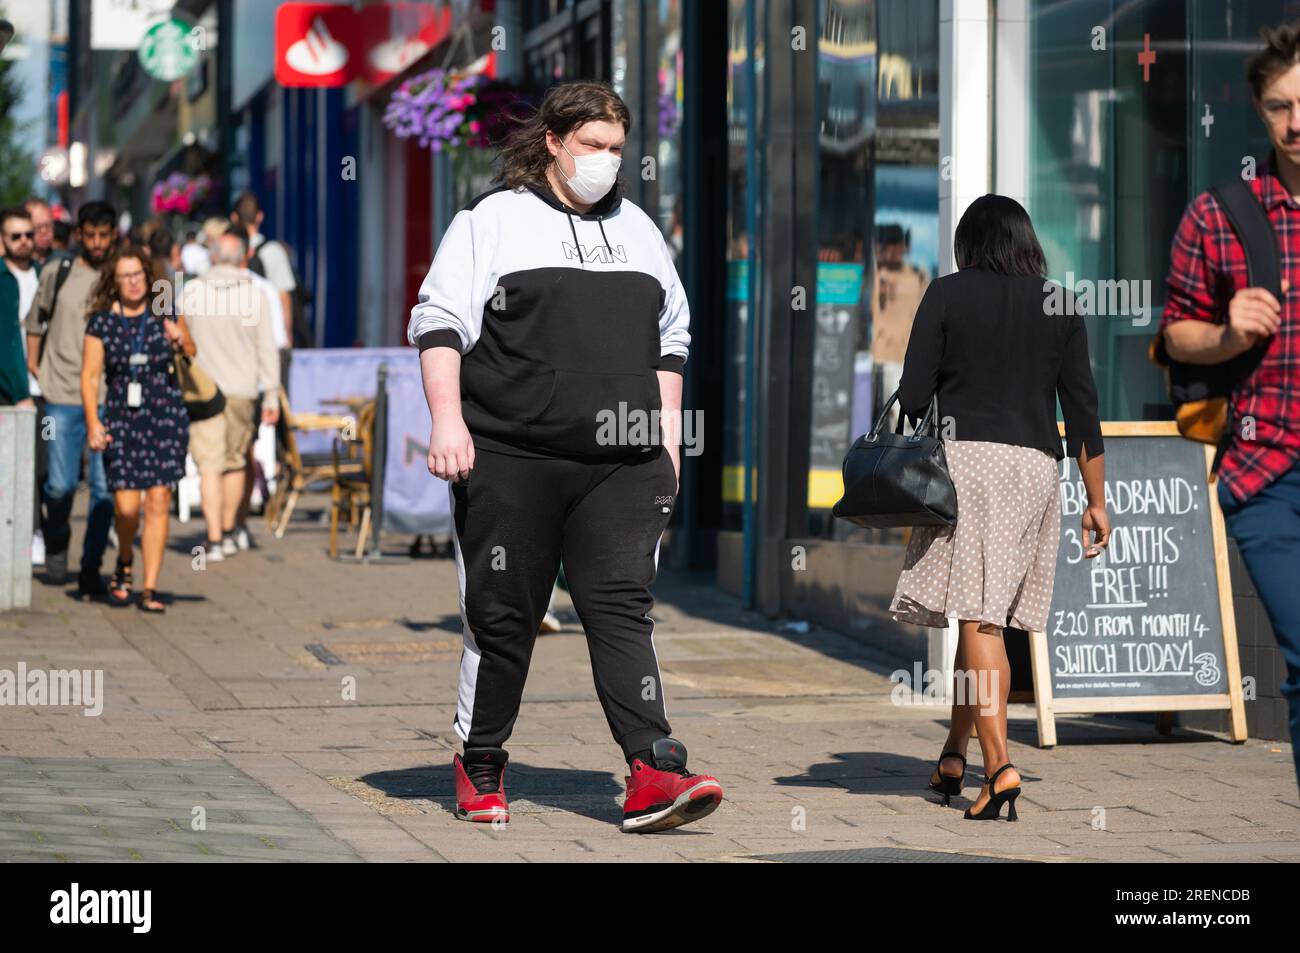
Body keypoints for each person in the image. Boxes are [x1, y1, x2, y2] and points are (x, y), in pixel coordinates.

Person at [410, 80, 723, 834]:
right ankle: (480, 758)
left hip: (622, 462)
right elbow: (438, 322)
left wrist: (671, 447)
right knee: (505, 615)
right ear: (552, 142)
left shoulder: (643, 232)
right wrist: (446, 421)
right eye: (591, 147)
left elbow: (672, 341)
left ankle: (654, 766)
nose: (605, 163)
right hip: (509, 456)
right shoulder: (492, 221)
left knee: (621, 609)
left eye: (616, 150)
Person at [890, 194, 1110, 821]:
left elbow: (911, 395)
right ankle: (954, 755)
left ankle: (1001, 767)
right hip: (1040, 470)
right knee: (981, 611)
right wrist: (1098, 501)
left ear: (968, 246)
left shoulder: (947, 295)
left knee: (981, 619)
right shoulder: (1059, 303)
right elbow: (1084, 412)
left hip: (971, 466)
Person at [1161, 23, 1300, 793]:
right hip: (1267, 474)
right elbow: (1175, 333)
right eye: (1280, 106)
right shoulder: (1221, 215)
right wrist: (1224, 331)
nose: (1297, 122)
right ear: (1258, 109)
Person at [82, 246, 194, 613]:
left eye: (138, 275)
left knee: (160, 499)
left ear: (148, 277)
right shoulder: (101, 322)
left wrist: (180, 338)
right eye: (124, 276)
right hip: (122, 419)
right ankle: (125, 558)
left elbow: (193, 352)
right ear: (113, 283)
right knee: (127, 508)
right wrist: (93, 422)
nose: (133, 282)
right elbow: (90, 376)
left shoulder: (164, 310)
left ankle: (150, 588)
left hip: (163, 415)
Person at [23, 200, 117, 597]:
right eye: (89, 235)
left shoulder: (122, 275)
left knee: (103, 489)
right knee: (59, 485)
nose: (96, 243)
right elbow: (35, 322)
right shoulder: (58, 272)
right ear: (79, 234)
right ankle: (57, 540)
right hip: (61, 391)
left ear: (113, 235)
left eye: (103, 235)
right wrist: (35, 368)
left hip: (108, 397)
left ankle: (91, 567)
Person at [180, 228, 280, 561]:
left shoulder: (191, 293)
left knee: (209, 465)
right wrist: (272, 396)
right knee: (236, 462)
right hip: (242, 391)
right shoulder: (254, 294)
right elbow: (267, 348)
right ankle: (232, 528)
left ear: (212, 257)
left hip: (203, 392)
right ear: (243, 259)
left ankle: (215, 537)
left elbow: (180, 343)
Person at [3, 206, 44, 565]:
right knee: (17, 468)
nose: (24, 242)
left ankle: (39, 530)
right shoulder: (2, 279)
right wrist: (18, 391)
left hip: (47, 388)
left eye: (28, 234)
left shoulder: (46, 276)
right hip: (13, 390)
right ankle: (25, 535)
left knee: (44, 468)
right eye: (15, 236)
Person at [871, 224, 929, 432]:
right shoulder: (875, 275)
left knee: (902, 419)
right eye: (888, 246)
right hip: (876, 357)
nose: (893, 251)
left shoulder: (917, 276)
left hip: (902, 358)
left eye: (897, 245)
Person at [24, 197, 56, 267]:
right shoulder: (15, 265)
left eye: (48, 225)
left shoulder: (63, 260)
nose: (44, 231)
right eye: (38, 227)